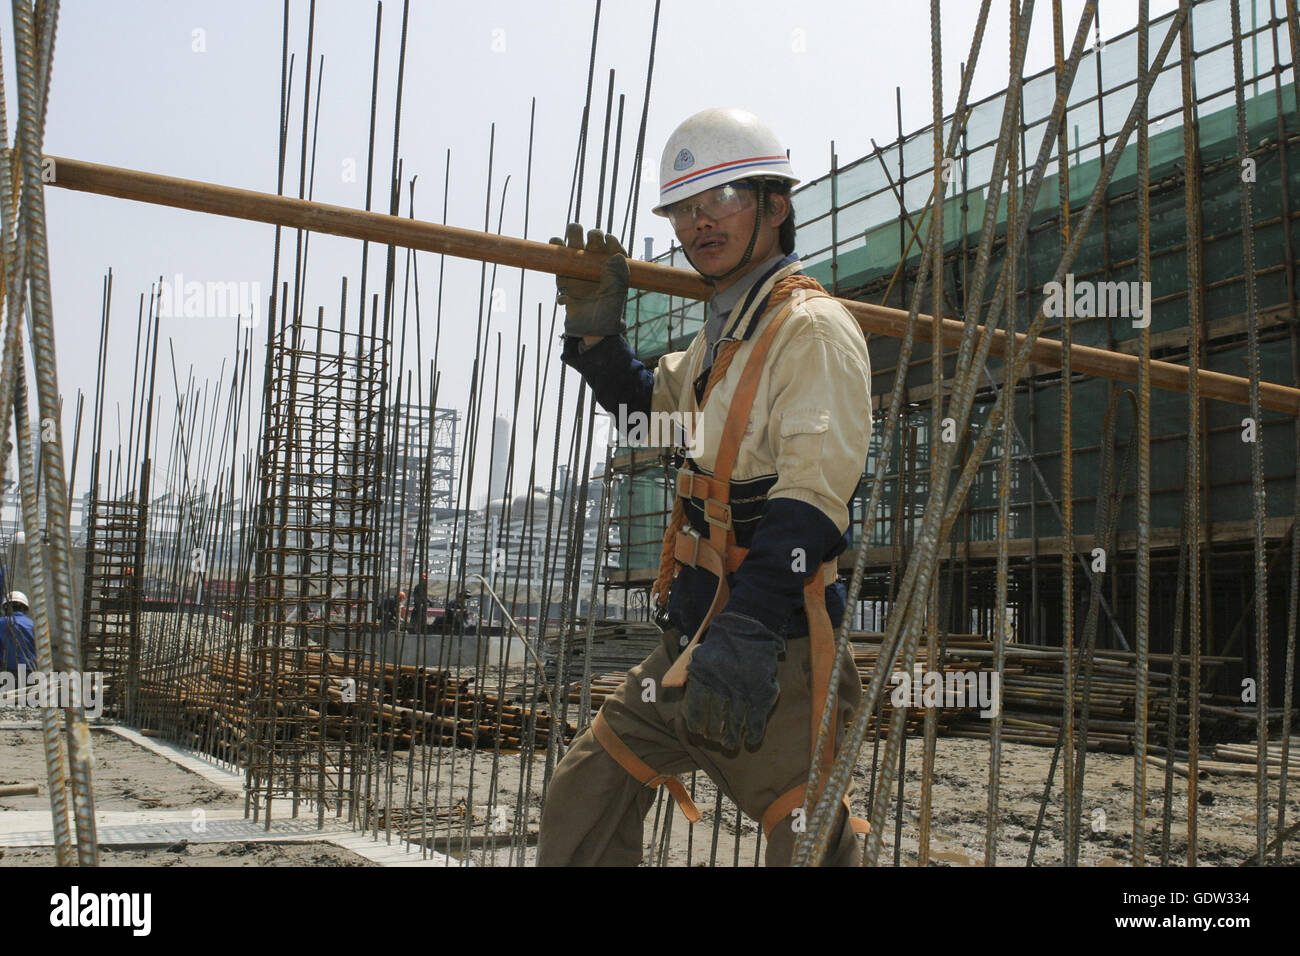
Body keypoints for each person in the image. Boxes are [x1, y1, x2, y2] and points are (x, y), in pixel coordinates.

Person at [537, 107, 873, 866]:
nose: (697, 224)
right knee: (589, 785)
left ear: (775, 204)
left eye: (718, 200)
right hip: (691, 639)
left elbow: (811, 506)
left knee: (808, 838)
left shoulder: (810, 331)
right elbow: (643, 414)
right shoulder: (727, 335)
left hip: (776, 644)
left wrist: (748, 631)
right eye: (684, 209)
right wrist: (596, 337)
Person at [0, 590, 37, 675]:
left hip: (6, 673)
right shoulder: (32, 625)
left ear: (5, 608)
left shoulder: (1, 623)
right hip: (31, 672)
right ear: (25, 609)